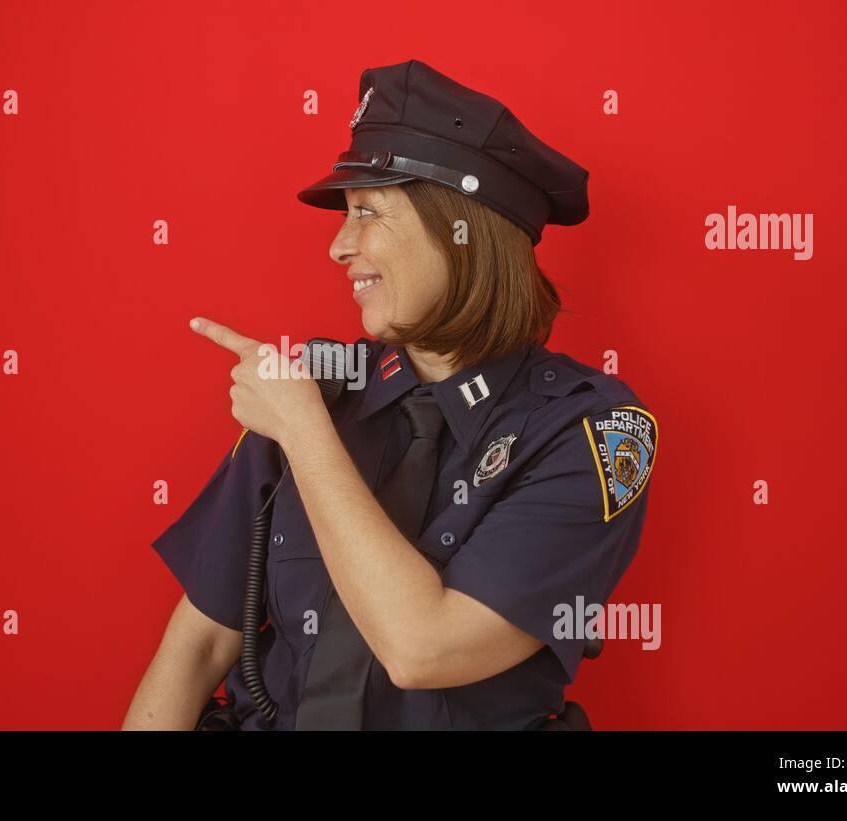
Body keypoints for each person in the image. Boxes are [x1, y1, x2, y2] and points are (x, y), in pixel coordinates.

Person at [123, 59, 657, 730]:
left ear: (463, 232)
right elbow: (198, 645)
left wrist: (305, 432)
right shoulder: (315, 390)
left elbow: (422, 648)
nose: (339, 247)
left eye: (368, 212)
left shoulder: (588, 430)